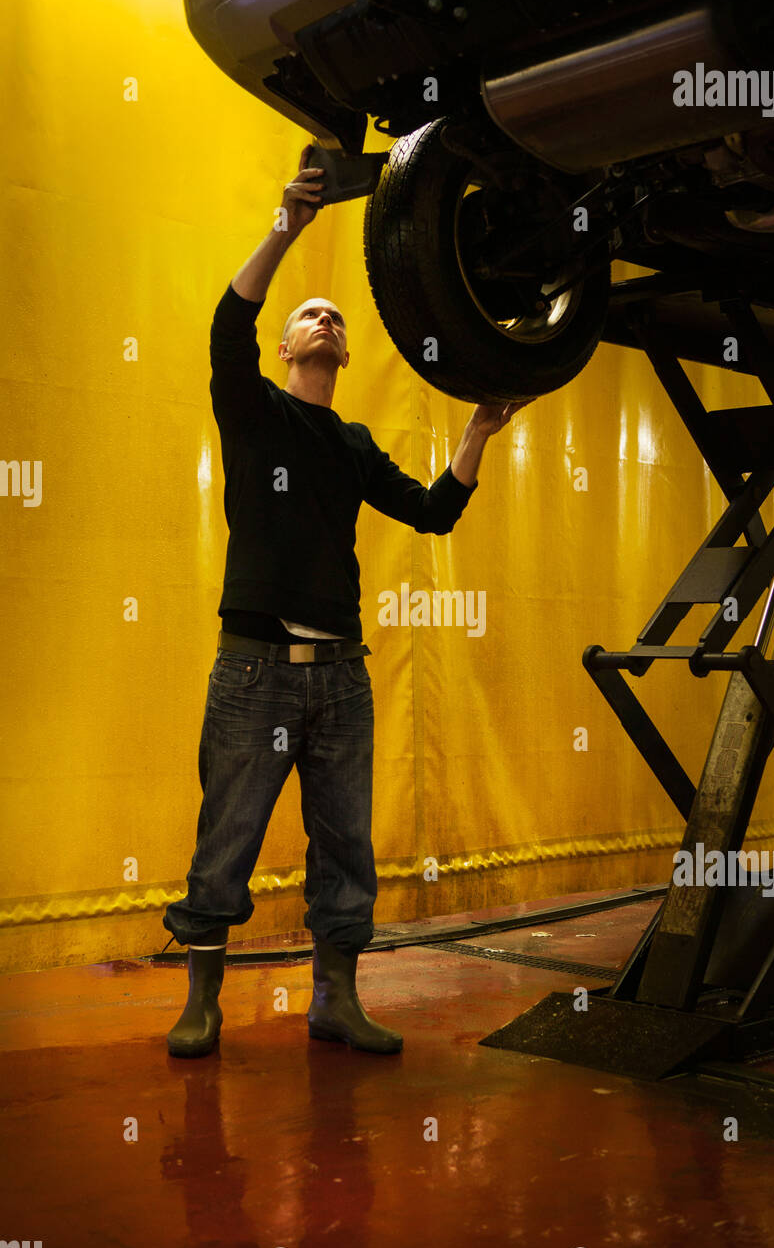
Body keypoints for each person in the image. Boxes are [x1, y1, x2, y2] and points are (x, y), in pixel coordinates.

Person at [163, 146, 525, 1058]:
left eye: (332, 315)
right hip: (253, 672)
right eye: (306, 317)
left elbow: (436, 511)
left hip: (341, 681)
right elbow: (223, 329)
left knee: (345, 852)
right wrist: (288, 228)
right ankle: (201, 1003)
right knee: (228, 838)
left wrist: (480, 428)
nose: (321, 318)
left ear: (343, 350)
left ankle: (335, 1000)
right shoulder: (250, 411)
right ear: (288, 349)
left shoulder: (353, 444)